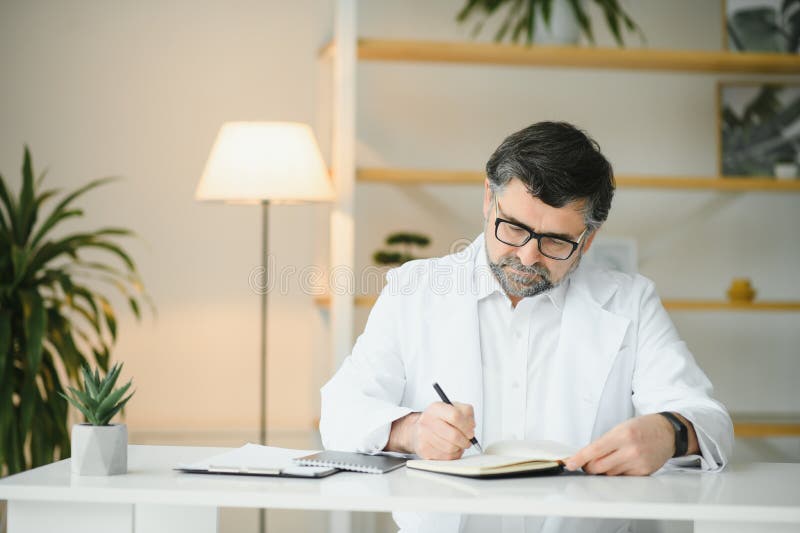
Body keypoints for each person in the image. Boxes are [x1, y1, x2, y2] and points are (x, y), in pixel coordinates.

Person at [320, 121, 733, 533]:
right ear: (488, 199)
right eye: (514, 228)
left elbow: (710, 420)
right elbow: (340, 411)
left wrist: (670, 433)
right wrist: (409, 431)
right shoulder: (415, 290)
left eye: (555, 241)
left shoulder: (631, 303)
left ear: (588, 239)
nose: (528, 256)